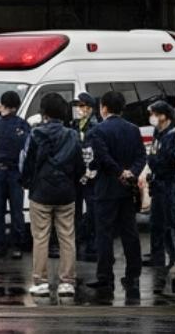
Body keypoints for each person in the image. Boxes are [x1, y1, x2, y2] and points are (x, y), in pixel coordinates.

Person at [20, 93, 85, 297]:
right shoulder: (73, 135)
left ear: (43, 112)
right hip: (66, 192)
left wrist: (28, 183)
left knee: (40, 238)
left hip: (41, 192)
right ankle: (67, 282)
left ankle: (40, 281)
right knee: (67, 237)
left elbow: (27, 163)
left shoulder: (35, 134)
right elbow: (79, 166)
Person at [86, 90, 148, 299]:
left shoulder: (98, 131)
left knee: (104, 234)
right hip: (127, 189)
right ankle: (133, 275)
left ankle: (105, 276)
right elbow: (141, 155)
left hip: (106, 188)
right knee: (130, 233)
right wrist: (131, 172)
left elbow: (102, 158)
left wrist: (118, 172)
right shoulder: (133, 129)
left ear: (104, 107)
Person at [0, 90, 29, 259]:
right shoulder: (23, 125)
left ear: (3, 105)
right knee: (17, 210)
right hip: (16, 172)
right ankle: (17, 246)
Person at [144, 100, 175, 268]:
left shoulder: (172, 135)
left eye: (154, 114)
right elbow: (152, 156)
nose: (152, 118)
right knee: (155, 223)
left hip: (168, 184)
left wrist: (156, 162)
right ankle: (156, 256)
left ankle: (174, 258)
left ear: (164, 116)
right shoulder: (157, 133)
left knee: (169, 223)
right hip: (157, 183)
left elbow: (168, 160)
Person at [72, 92, 102, 262]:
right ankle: (76, 242)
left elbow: (97, 150)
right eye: (77, 106)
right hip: (77, 174)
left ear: (90, 108)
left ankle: (93, 245)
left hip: (92, 174)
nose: (79, 109)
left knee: (92, 210)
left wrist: (92, 170)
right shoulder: (75, 125)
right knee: (75, 211)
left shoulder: (96, 126)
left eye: (82, 106)